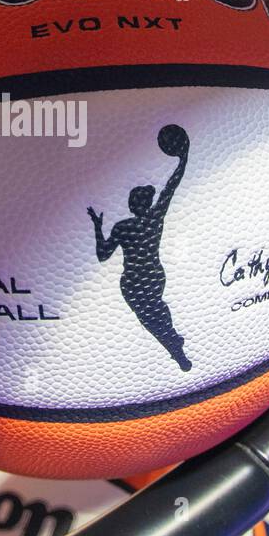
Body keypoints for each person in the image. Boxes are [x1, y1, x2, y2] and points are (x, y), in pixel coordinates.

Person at [88, 125, 191, 371]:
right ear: (143, 203)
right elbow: (170, 188)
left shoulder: (123, 227)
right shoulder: (154, 219)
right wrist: (183, 160)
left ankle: (175, 347)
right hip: (152, 277)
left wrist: (97, 227)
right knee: (156, 314)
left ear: (133, 205)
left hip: (135, 281)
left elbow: (103, 254)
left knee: (151, 317)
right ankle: (175, 346)